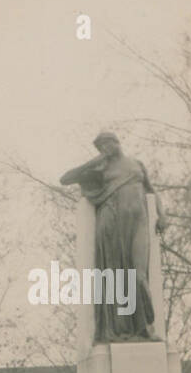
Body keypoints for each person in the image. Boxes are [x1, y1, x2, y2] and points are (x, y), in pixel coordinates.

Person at [58, 131, 162, 343]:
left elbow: (152, 191)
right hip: (112, 222)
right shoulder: (101, 167)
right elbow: (65, 179)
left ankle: (145, 327)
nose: (104, 149)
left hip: (138, 221)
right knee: (116, 274)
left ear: (116, 142)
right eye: (100, 147)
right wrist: (93, 162)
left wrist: (163, 215)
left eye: (106, 144)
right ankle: (126, 328)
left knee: (139, 275)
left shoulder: (136, 164)